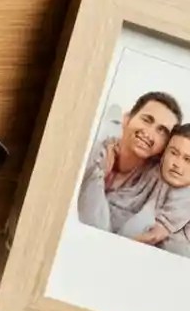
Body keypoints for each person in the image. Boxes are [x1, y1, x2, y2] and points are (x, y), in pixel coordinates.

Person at [77, 91, 182, 233]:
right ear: (127, 119)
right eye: (147, 120)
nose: (149, 134)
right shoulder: (93, 151)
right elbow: (93, 224)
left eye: (162, 131)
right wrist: (98, 175)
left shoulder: (157, 180)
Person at [117, 123, 190, 256]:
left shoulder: (186, 196)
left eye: (188, 160)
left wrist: (118, 246)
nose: (177, 164)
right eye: (173, 153)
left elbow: (155, 235)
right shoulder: (155, 170)